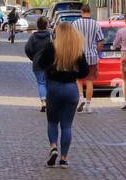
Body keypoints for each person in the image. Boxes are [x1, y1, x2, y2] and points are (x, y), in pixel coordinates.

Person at [34, 21, 91, 167]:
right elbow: (85, 71)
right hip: (71, 89)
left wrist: (51, 69)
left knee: (52, 121)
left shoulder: (51, 47)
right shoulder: (76, 49)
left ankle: (53, 147)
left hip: (54, 87)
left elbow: (40, 63)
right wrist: (73, 71)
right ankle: (64, 158)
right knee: (67, 126)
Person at [73, 4, 102, 114]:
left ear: (81, 12)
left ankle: (81, 98)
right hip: (92, 56)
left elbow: (72, 40)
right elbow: (100, 41)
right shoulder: (95, 24)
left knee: (78, 79)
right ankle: (89, 105)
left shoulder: (75, 24)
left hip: (79, 55)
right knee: (90, 81)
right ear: (90, 12)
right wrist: (96, 52)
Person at [24, 16, 53, 112]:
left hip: (38, 63)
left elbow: (28, 49)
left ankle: (43, 101)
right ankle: (50, 101)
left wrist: (33, 57)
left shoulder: (33, 36)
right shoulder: (51, 36)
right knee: (49, 82)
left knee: (41, 82)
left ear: (37, 26)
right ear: (46, 25)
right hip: (49, 63)